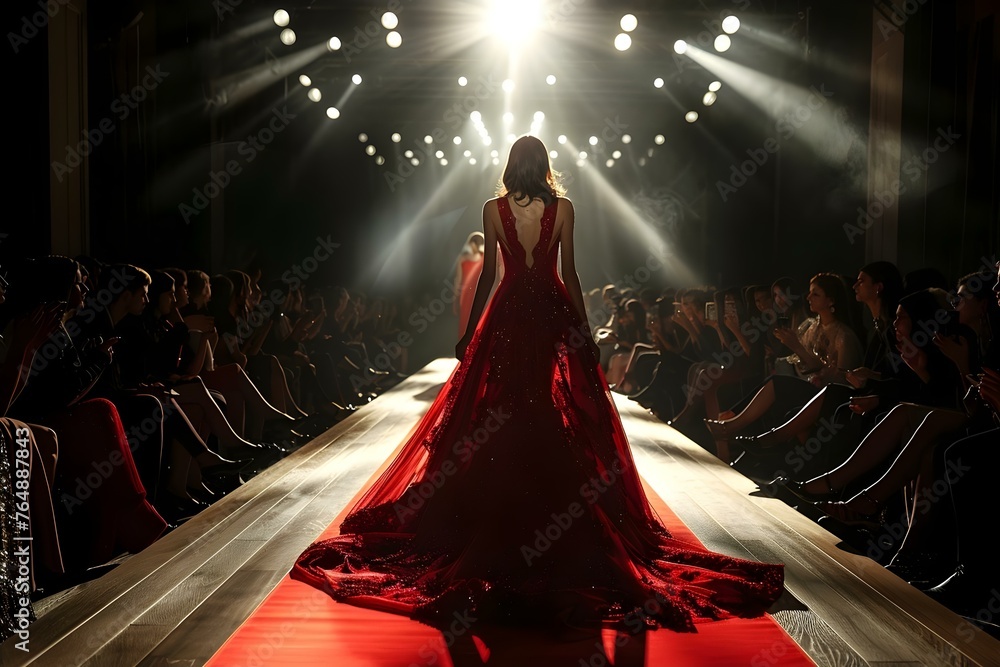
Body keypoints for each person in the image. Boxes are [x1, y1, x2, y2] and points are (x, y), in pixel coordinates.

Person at [292, 135, 784, 632]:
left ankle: (501, 496)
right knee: (547, 401)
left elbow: (488, 276)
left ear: (510, 166)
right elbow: (569, 273)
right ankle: (551, 502)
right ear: (545, 166)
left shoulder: (492, 208)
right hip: (549, 312)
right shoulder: (564, 208)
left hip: (507, 313)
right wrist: (584, 331)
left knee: (499, 402)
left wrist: (468, 333)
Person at [454, 231, 485, 338]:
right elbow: (458, 280)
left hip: (475, 294)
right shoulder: (465, 259)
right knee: (469, 320)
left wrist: (455, 299)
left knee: (473, 321)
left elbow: (458, 280)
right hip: (471, 294)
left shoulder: (483, 258)